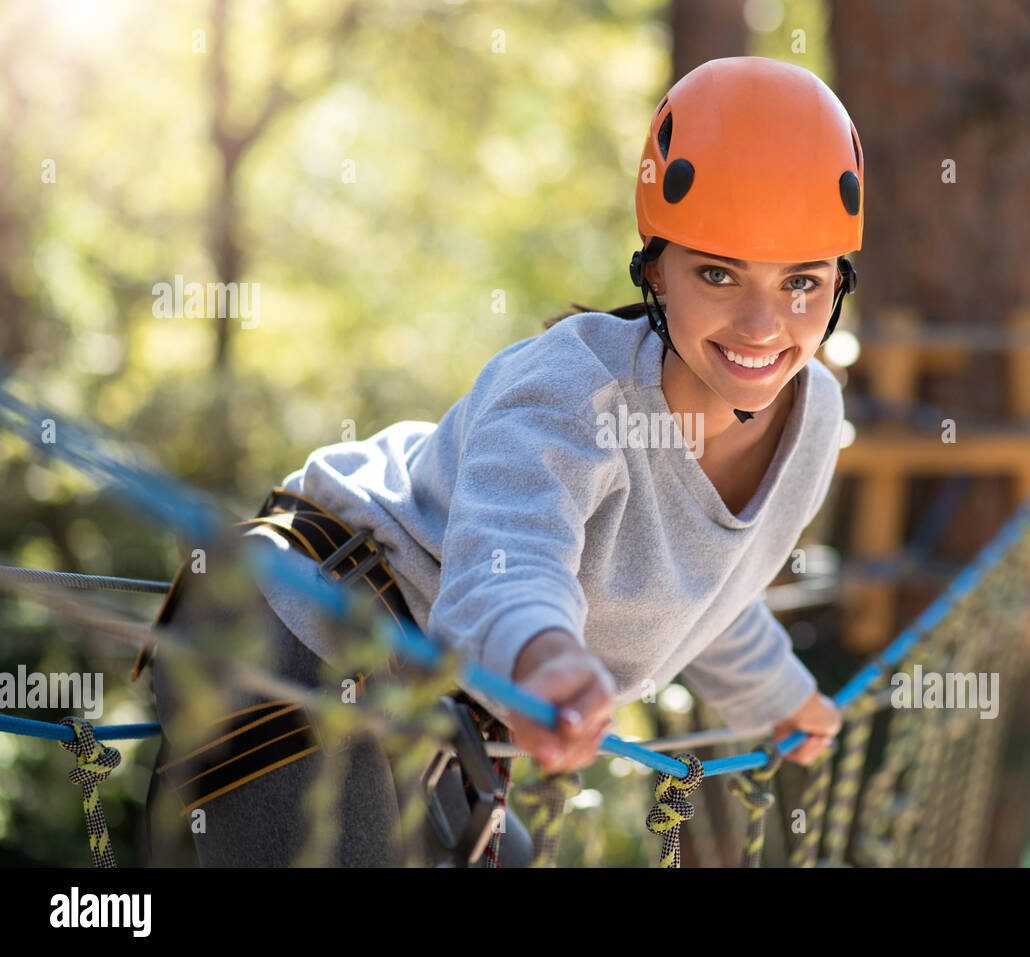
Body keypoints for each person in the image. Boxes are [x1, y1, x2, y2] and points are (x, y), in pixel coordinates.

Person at [145, 54, 857, 867]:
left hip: (433, 696)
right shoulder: (571, 394)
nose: (765, 325)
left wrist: (783, 695)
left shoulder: (814, 422)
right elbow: (506, 564)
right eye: (719, 273)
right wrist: (546, 658)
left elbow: (706, 595)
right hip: (293, 620)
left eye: (802, 280)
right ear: (657, 268)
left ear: (840, 283)